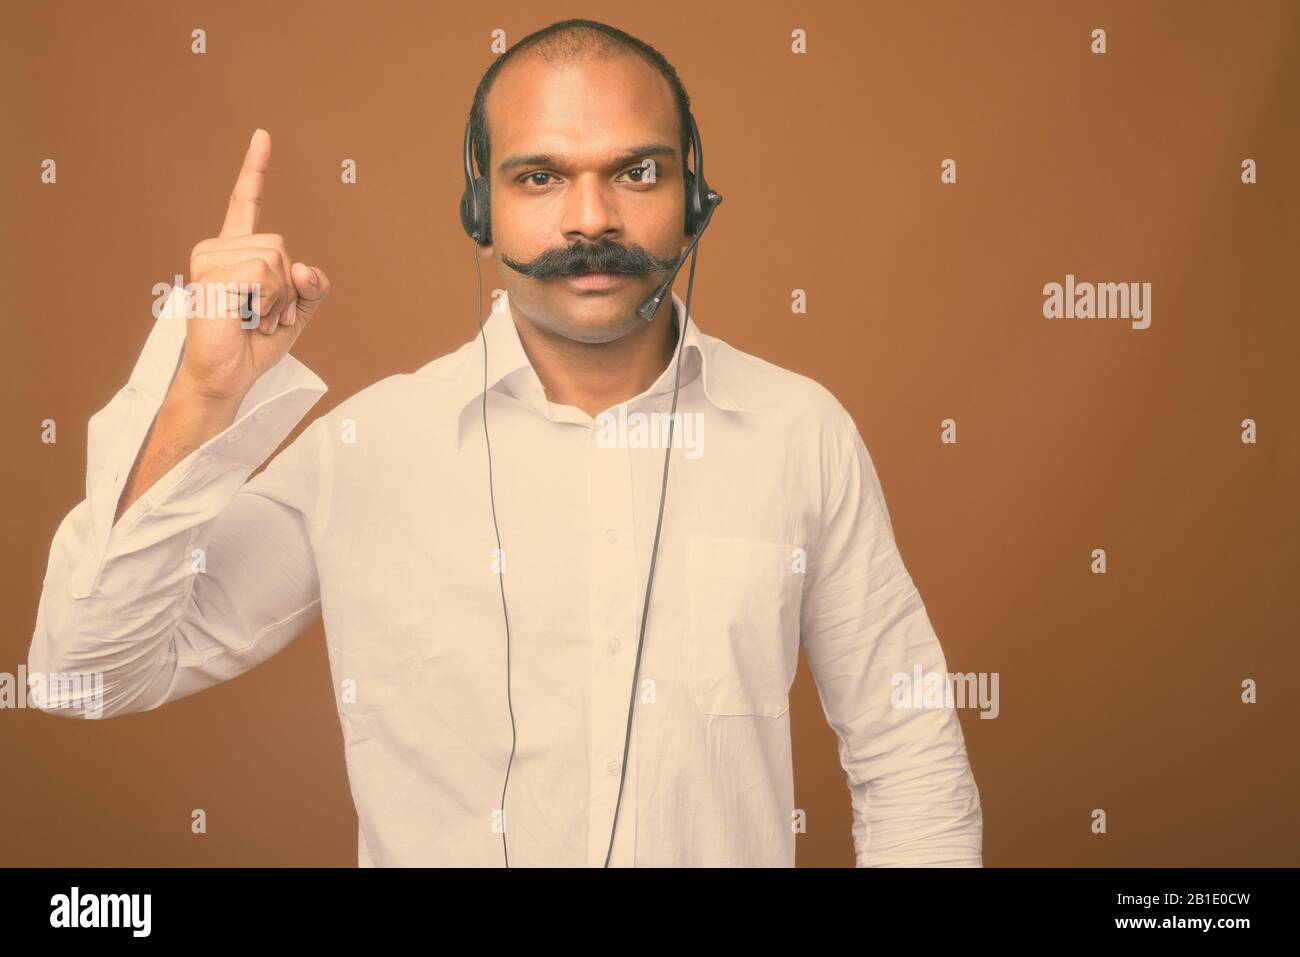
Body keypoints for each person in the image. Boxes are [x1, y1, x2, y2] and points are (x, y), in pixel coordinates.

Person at [27, 18, 982, 867]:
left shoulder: (800, 431)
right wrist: (200, 396)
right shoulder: (365, 449)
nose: (591, 218)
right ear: (480, 211)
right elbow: (84, 677)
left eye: (637, 171)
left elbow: (907, 748)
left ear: (697, 193)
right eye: (540, 176)